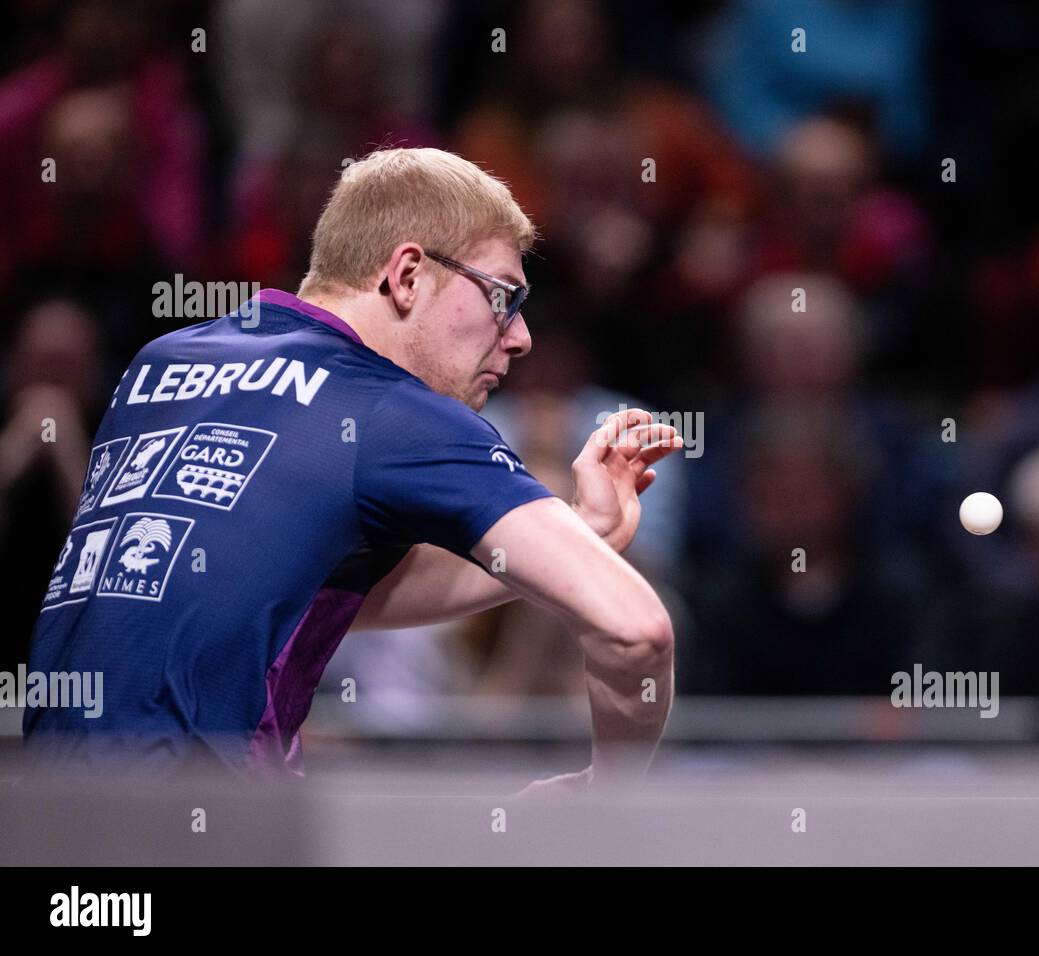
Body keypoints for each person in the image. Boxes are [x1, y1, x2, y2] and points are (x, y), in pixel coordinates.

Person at [24, 147, 682, 793]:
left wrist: (579, 530)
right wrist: (605, 794)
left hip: (45, 826)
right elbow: (635, 631)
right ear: (408, 276)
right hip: (201, 830)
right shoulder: (394, 412)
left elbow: (292, 598)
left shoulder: (161, 364)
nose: (520, 337)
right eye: (502, 295)